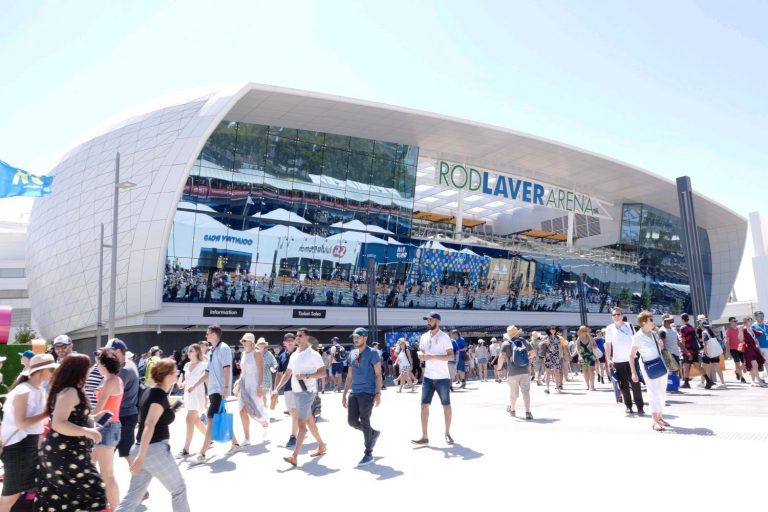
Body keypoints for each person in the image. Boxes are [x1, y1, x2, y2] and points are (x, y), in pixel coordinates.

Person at [114, 358, 190, 512]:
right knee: (179, 489)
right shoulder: (158, 396)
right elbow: (149, 424)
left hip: (144, 449)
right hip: (153, 450)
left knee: (132, 498)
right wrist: (141, 457)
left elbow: (154, 418)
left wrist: (171, 411)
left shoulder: (152, 392)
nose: (177, 374)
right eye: (175, 371)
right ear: (167, 375)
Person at [35, 353, 107, 511]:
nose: (89, 371)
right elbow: (58, 423)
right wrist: (87, 431)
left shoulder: (68, 390)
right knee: (93, 494)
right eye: (87, 368)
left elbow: (72, 417)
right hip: (66, 454)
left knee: (64, 500)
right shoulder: (70, 392)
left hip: (63, 453)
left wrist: (92, 418)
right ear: (79, 370)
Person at [0, 354, 57, 512]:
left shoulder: (38, 390)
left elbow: (38, 423)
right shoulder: (23, 390)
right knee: (11, 494)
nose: (53, 372)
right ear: (40, 371)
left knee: (22, 492)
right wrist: (47, 413)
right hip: (17, 446)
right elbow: (21, 423)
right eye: (51, 369)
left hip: (28, 445)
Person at [272, 328, 327, 467]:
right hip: (296, 392)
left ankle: (294, 456)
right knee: (309, 421)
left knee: (301, 424)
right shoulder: (295, 355)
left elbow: (322, 373)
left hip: (307, 392)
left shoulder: (313, 354)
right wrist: (277, 388)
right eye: (296, 335)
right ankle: (321, 445)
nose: (297, 337)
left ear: (307, 337)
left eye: (300, 335)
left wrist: (306, 376)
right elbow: (287, 373)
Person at [190, 324, 239, 465]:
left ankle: (202, 454)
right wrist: (194, 385)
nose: (206, 336)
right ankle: (236, 444)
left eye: (208, 333)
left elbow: (227, 369)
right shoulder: (211, 351)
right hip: (213, 390)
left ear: (214, 334)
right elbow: (207, 372)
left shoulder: (223, 348)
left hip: (219, 391)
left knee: (211, 419)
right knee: (221, 416)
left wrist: (225, 388)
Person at [412, 311, 455, 446]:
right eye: (427, 320)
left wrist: (432, 357)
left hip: (442, 378)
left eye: (430, 320)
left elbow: (451, 357)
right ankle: (424, 436)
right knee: (424, 406)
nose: (428, 322)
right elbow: (421, 349)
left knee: (446, 406)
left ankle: (447, 433)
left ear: (438, 322)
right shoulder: (424, 336)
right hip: (428, 377)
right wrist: (420, 354)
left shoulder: (444, 337)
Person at [342, 327, 383, 466]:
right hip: (354, 392)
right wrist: (344, 393)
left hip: (368, 392)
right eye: (354, 337)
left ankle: (368, 452)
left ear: (365, 338)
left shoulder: (373, 353)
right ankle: (372, 433)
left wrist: (378, 393)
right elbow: (349, 376)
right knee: (352, 422)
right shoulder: (352, 354)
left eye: (358, 337)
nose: (355, 339)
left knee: (365, 420)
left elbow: (378, 375)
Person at [91, 350, 125, 511]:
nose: (96, 366)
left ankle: (115, 507)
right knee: (90, 465)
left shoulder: (111, 381)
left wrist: (83, 419)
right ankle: (104, 503)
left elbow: (100, 405)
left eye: (97, 363)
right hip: (105, 427)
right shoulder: (109, 380)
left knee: (107, 474)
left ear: (104, 364)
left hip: (108, 427)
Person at [101, 338, 140, 470]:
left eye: (109, 352)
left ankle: (140, 485)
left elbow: (110, 398)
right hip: (122, 415)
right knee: (122, 452)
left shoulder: (124, 371)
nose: (107, 356)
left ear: (118, 351)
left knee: (125, 452)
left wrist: (98, 421)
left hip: (122, 416)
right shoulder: (128, 364)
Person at [629, 311, 669, 431]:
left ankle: (660, 417)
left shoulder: (654, 334)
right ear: (643, 322)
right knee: (653, 392)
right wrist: (633, 373)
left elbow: (660, 349)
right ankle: (654, 421)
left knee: (662, 391)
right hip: (648, 366)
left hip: (660, 364)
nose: (653, 322)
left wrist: (661, 345)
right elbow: (631, 356)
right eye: (650, 320)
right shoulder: (637, 337)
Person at [605, 307, 645, 414]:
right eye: (614, 315)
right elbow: (608, 345)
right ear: (612, 317)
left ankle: (640, 406)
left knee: (635, 382)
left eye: (618, 314)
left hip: (632, 359)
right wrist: (608, 359)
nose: (617, 316)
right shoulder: (609, 328)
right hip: (618, 360)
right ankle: (628, 406)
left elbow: (636, 341)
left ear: (622, 315)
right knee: (623, 385)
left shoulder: (629, 326)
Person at [175, 343, 207, 459]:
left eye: (191, 351)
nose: (188, 353)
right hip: (188, 394)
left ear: (197, 352)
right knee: (196, 420)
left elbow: (206, 380)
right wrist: (182, 384)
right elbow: (186, 379)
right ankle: (209, 438)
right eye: (188, 351)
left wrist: (207, 397)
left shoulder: (203, 364)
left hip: (197, 394)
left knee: (189, 419)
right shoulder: (187, 365)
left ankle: (186, 449)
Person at [236, 333, 268, 444]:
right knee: (242, 410)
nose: (243, 343)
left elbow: (261, 371)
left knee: (255, 410)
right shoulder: (243, 354)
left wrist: (260, 386)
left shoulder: (257, 353)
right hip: (244, 385)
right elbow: (242, 371)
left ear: (251, 342)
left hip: (254, 385)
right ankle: (247, 438)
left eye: (245, 341)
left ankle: (265, 423)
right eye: (242, 341)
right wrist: (238, 384)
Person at [497, 325, 534, 419]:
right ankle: (528, 412)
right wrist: (526, 359)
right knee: (526, 392)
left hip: (513, 372)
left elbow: (501, 357)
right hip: (525, 371)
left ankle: (513, 410)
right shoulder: (524, 341)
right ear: (517, 333)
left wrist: (499, 369)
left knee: (513, 393)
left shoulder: (505, 344)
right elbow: (533, 353)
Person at [276, 333, 299, 447]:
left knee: (294, 412)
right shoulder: (281, 356)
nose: (290, 342)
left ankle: (293, 436)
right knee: (291, 412)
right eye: (287, 340)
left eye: (292, 340)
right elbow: (279, 374)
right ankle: (303, 426)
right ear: (284, 343)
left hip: (299, 387)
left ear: (295, 342)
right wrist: (275, 390)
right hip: (287, 388)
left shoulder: (299, 354)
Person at [738, 316, 767, 387]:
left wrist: (760, 350)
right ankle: (759, 381)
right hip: (748, 349)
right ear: (745, 321)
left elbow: (756, 341)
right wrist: (740, 331)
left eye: (751, 320)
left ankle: (753, 381)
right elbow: (741, 339)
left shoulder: (752, 329)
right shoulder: (743, 330)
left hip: (754, 348)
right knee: (755, 365)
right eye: (749, 320)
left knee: (753, 366)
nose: (750, 322)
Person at [700, 321, 725, 388]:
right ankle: (723, 383)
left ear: (702, 326)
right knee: (718, 368)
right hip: (715, 352)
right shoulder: (711, 332)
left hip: (709, 352)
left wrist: (705, 352)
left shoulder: (704, 332)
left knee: (706, 368)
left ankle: (705, 383)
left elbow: (705, 343)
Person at [541, 326, 564, 394]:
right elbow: (540, 345)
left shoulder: (558, 338)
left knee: (556, 372)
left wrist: (559, 357)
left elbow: (560, 348)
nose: (553, 330)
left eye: (554, 329)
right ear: (549, 330)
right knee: (548, 372)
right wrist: (543, 342)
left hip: (555, 356)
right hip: (548, 356)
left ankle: (557, 387)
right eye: (551, 329)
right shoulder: (546, 337)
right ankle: (547, 388)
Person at [725, 317, 747, 383]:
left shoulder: (739, 329)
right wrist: (728, 351)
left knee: (744, 364)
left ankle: (737, 371)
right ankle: (742, 377)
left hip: (741, 348)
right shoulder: (728, 331)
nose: (735, 322)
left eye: (736, 321)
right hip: (733, 349)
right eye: (734, 321)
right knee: (737, 363)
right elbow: (727, 342)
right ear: (730, 322)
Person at [257, 337, 278, 406]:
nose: (262, 345)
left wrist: (272, 368)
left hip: (266, 376)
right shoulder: (255, 353)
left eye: (263, 344)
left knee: (263, 394)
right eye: (260, 344)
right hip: (256, 376)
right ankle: (261, 409)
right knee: (258, 395)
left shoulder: (269, 353)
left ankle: (264, 409)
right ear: (258, 345)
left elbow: (274, 363)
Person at [576, 326, 598, 391]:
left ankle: (592, 386)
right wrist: (579, 356)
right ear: (580, 332)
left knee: (591, 371)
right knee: (585, 371)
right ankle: (588, 385)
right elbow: (577, 349)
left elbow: (595, 345)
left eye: (585, 330)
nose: (584, 332)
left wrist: (589, 336)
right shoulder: (579, 338)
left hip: (591, 356)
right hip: (583, 357)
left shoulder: (590, 337)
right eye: (583, 331)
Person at [752, 311, 768, 380]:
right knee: (759, 363)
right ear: (756, 317)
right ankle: (757, 378)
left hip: (767, 346)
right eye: (760, 316)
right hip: (759, 347)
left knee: (767, 362)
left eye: (762, 316)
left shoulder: (766, 325)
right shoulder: (753, 326)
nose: (762, 317)